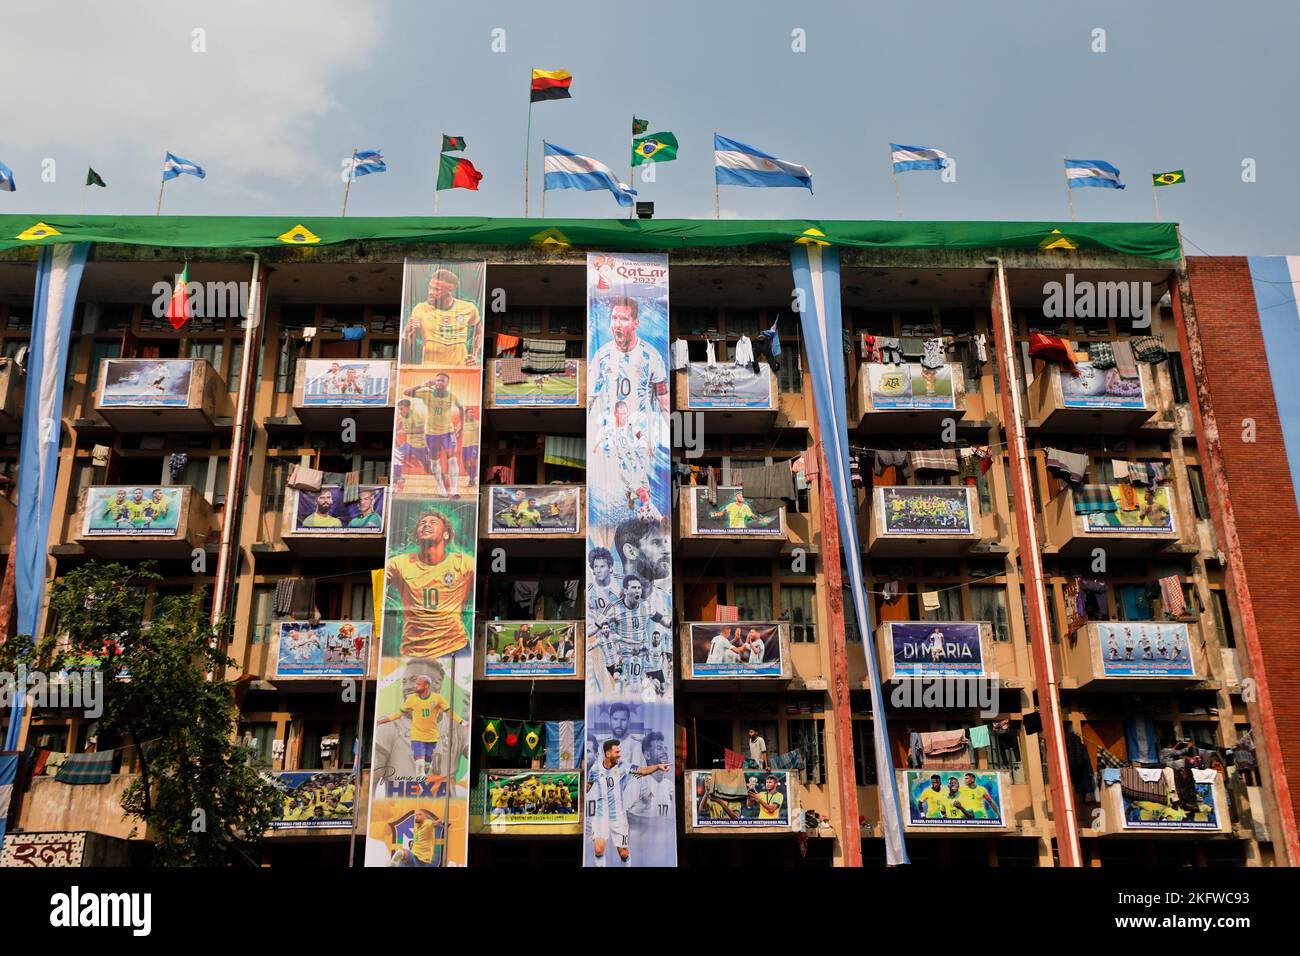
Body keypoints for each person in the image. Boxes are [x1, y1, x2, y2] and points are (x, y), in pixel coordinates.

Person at [384, 509, 475, 658]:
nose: (426, 525)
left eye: (433, 522)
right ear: (416, 536)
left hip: (454, 648)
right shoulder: (398, 564)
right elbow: (376, 581)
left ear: (446, 534)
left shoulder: (464, 563)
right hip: (413, 652)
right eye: (422, 523)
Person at [589, 296, 667, 455]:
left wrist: (665, 437)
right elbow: (590, 398)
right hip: (610, 444)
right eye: (614, 318)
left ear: (635, 323)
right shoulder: (601, 357)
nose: (617, 324)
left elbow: (663, 399)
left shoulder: (651, 356)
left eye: (623, 319)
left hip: (640, 441)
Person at [586, 739, 670, 867]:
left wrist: (658, 766)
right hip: (600, 815)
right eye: (617, 752)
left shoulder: (623, 766)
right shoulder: (595, 769)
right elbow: (589, 784)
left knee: (623, 853)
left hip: (618, 816)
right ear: (608, 754)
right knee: (598, 848)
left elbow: (642, 770)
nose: (619, 754)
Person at [375, 671, 465, 780]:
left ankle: (425, 770)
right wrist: (384, 720)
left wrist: (462, 722)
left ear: (426, 685)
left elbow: (448, 712)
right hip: (417, 735)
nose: (415, 686)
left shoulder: (437, 699)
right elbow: (399, 713)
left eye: (418, 684)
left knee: (427, 760)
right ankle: (420, 779)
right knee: (419, 760)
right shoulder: (411, 699)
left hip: (432, 736)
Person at [403, 268, 481, 367]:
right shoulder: (420, 309)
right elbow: (409, 338)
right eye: (430, 287)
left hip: (460, 369)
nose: (430, 292)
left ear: (450, 289)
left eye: (436, 289)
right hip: (430, 369)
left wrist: (475, 355)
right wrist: (406, 334)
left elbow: (479, 331)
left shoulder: (468, 308)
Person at [405, 373, 463, 495]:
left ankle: (454, 490)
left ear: (447, 383)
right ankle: (441, 487)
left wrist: (461, 424)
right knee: (434, 462)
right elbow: (406, 392)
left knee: (452, 459)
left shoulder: (452, 396)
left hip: (448, 432)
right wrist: (422, 385)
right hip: (431, 434)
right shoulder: (427, 394)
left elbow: (461, 408)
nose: (439, 383)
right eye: (437, 380)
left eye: (442, 381)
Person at [394, 397, 429, 488]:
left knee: (429, 469)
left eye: (402, 409)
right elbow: (400, 423)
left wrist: (406, 432)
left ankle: (443, 477)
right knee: (397, 455)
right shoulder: (403, 415)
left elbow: (421, 429)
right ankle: (399, 478)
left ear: (408, 407)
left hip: (420, 446)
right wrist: (396, 429)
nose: (400, 411)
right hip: (409, 444)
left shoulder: (416, 414)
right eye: (399, 409)